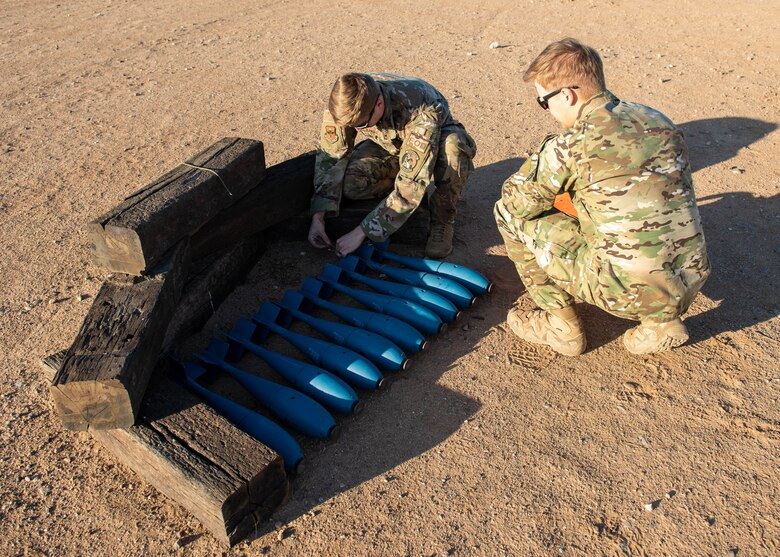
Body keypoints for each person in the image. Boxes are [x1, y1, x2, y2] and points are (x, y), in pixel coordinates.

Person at [494, 38, 710, 355]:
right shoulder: (657, 119)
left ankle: (562, 328)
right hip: (691, 274)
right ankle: (660, 322)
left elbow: (516, 202)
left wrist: (539, 164)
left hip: (622, 292)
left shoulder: (572, 143)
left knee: (508, 215)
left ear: (566, 95)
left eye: (544, 102)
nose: (546, 110)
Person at [308, 73, 477, 259]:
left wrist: (361, 232)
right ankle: (398, 191)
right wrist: (318, 216)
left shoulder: (422, 111)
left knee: (455, 149)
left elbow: (411, 184)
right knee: (352, 183)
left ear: (379, 104)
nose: (356, 130)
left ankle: (442, 220)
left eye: (361, 126)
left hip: (434, 142)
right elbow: (331, 157)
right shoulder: (346, 102)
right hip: (392, 147)